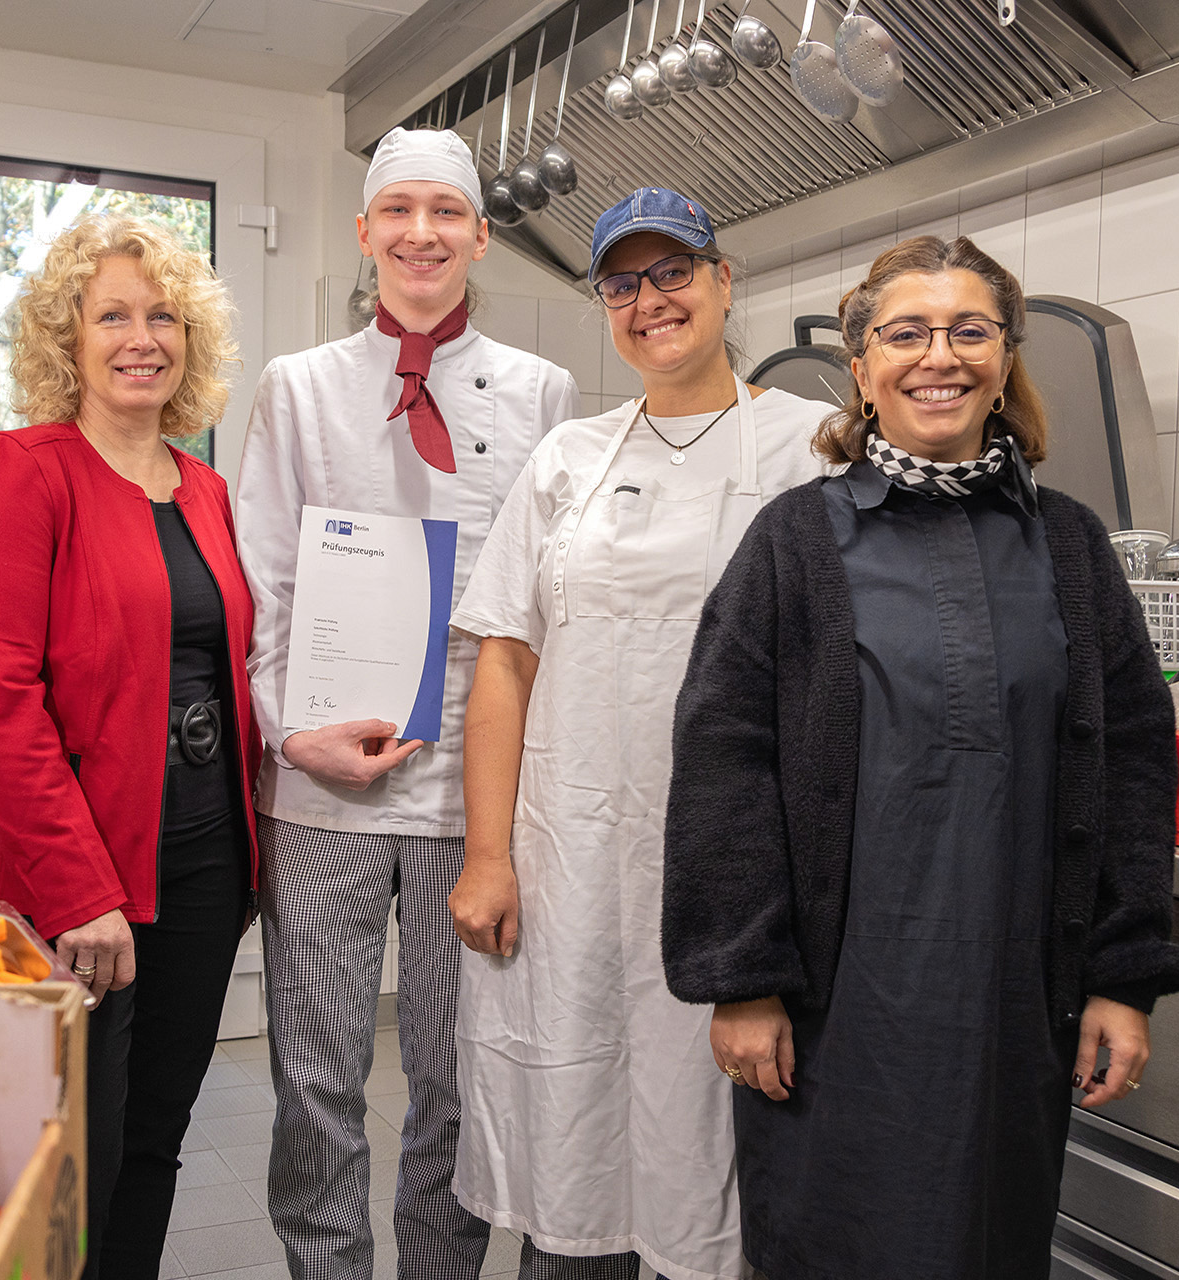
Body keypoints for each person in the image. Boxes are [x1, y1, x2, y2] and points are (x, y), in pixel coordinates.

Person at [660, 234, 1179, 1279]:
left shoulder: (1073, 546)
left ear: (1005, 359)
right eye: (906, 333)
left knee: (989, 1246)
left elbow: (1132, 758)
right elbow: (724, 759)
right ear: (861, 368)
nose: (938, 355)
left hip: (1012, 1008)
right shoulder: (796, 541)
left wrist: (1124, 975)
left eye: (969, 330)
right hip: (834, 1010)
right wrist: (743, 979)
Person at [446, 188, 830, 1280]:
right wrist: (486, 853)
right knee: (575, 1137)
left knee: (713, 1145)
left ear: (722, 279)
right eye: (624, 283)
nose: (650, 300)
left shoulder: (807, 445)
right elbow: (504, 658)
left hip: (741, 866)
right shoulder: (568, 457)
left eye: (673, 273)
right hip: (572, 858)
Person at [235, 126, 580, 1280]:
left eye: (446, 212)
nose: (421, 234)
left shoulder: (543, 394)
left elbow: (539, 603)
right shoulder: (298, 388)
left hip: (468, 805)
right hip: (319, 796)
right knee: (317, 1078)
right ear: (366, 230)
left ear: (482, 235)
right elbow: (266, 584)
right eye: (399, 211)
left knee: (455, 1078)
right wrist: (293, 729)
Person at [0, 214, 260, 1280]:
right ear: (66, 338)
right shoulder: (24, 473)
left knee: (155, 1135)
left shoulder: (206, 490)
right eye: (112, 314)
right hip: (84, 875)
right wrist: (81, 889)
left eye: (163, 313)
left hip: (207, 862)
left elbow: (226, 670)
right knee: (68, 1146)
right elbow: (0, 702)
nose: (143, 336)